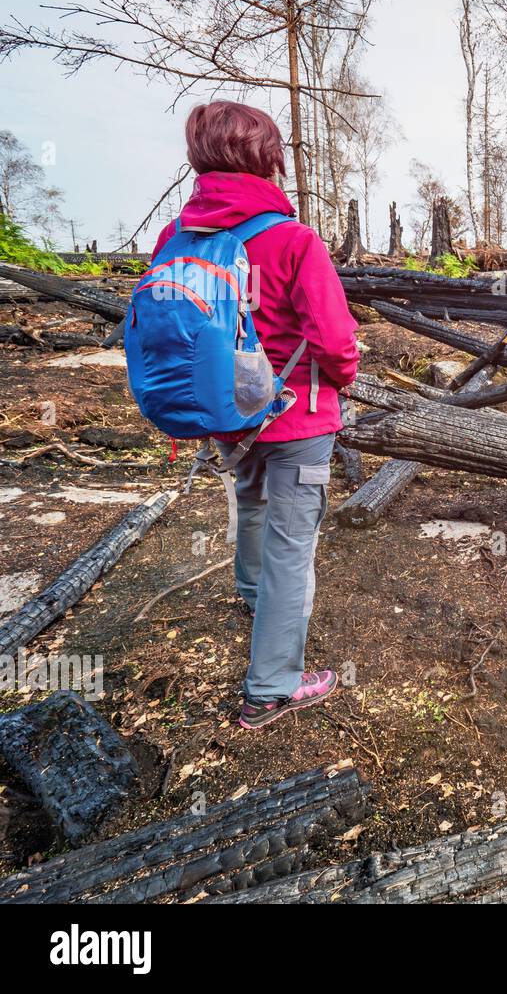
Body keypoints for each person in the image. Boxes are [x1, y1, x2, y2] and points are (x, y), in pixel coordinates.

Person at [149, 100, 359, 730]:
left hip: (223, 413)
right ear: (268, 159)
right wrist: (342, 378)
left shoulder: (174, 239)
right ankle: (271, 689)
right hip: (298, 418)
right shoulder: (293, 240)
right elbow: (336, 343)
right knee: (294, 546)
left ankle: (251, 596)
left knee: (251, 500)